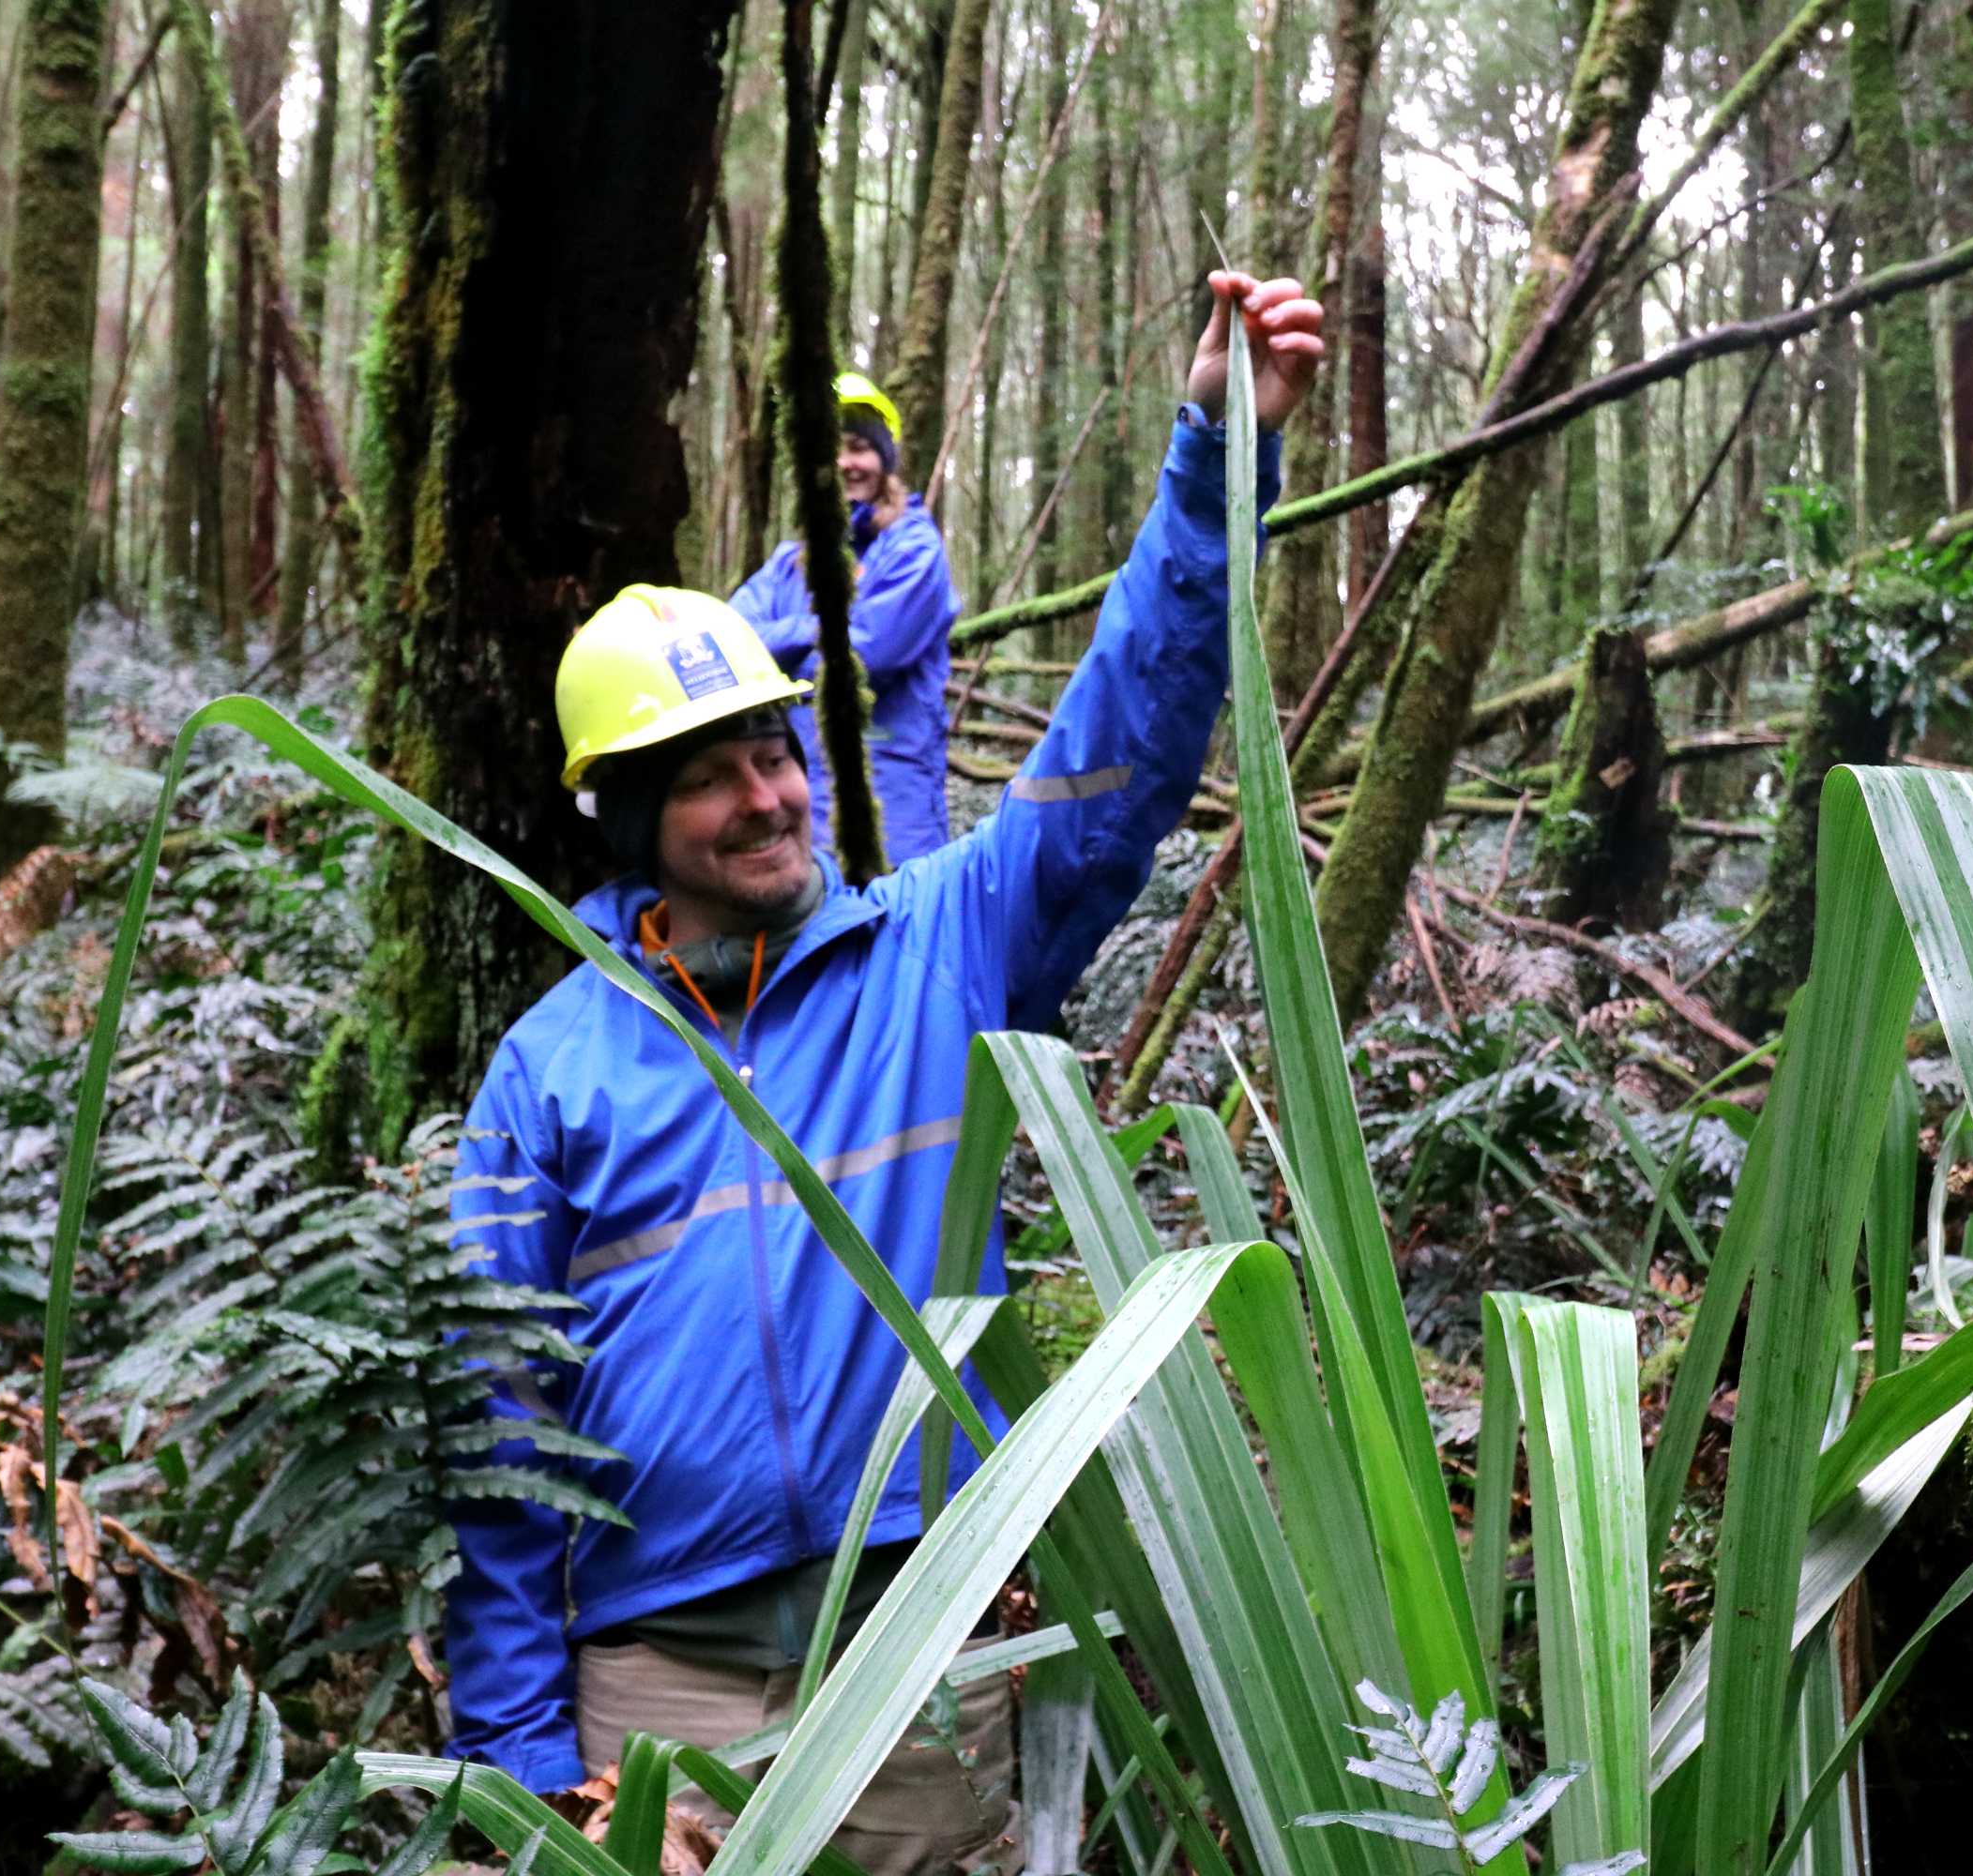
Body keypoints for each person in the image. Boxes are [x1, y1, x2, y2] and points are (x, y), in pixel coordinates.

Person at [443, 272, 1326, 1874]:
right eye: (711, 780)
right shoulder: (547, 1069)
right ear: (631, 825)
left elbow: (1127, 736)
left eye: (777, 749)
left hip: (917, 1671)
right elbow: (501, 1435)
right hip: (656, 1702)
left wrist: (1213, 457)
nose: (772, 798)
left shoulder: (944, 948)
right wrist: (512, 1763)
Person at [728, 372, 960, 867]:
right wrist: (816, 630)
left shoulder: (914, 547)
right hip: (793, 806)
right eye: (831, 449)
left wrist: (782, 652)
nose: (844, 463)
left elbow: (867, 652)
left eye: (858, 447)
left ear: (884, 462)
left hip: (894, 811)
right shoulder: (787, 564)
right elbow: (730, 641)